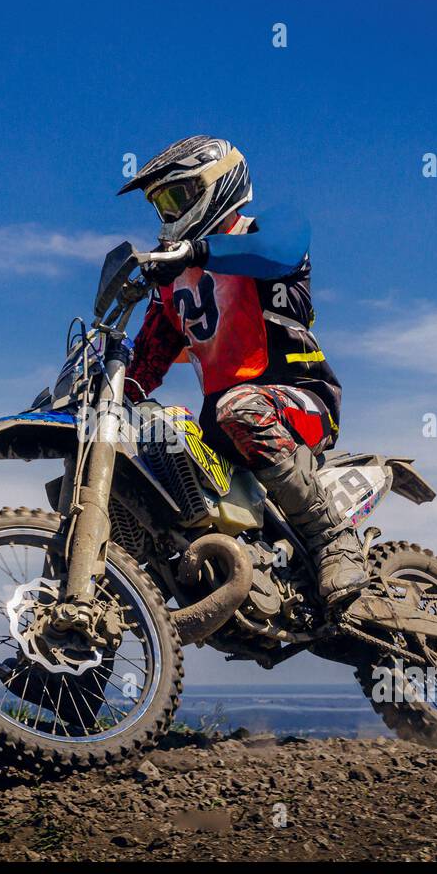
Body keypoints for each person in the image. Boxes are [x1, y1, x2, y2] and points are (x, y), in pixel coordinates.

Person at [119, 135, 366, 605]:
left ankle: (334, 539)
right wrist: (98, 389)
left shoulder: (271, 229)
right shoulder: (175, 286)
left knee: (238, 407)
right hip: (224, 425)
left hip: (301, 401)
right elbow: (143, 366)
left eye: (177, 195)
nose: (169, 213)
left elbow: (277, 251)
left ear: (217, 182)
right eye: (160, 204)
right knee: (152, 436)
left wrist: (194, 253)